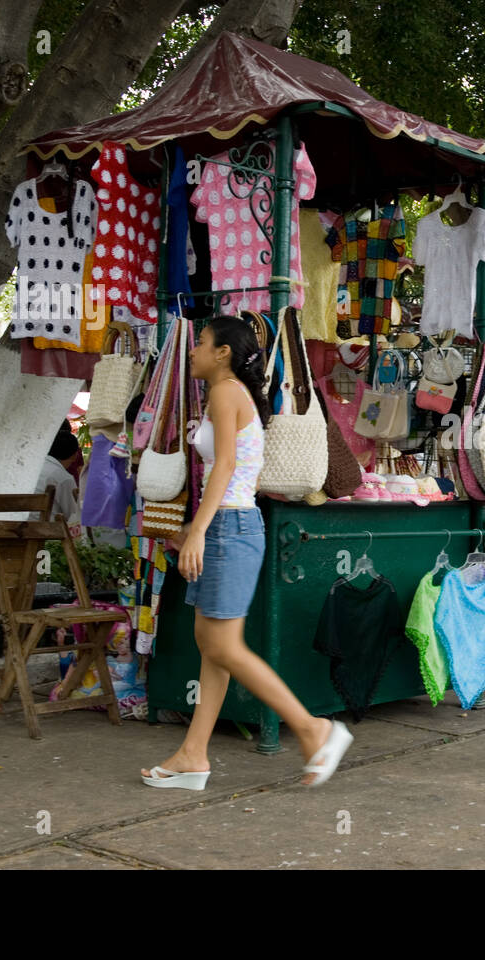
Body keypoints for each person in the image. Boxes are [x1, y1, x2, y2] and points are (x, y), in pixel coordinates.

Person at [141, 314, 352, 790]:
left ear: (223, 353)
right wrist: (195, 528)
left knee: (223, 647)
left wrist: (197, 533)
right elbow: (232, 473)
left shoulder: (224, 392)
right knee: (211, 650)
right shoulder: (233, 393)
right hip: (230, 525)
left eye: (201, 343)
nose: (193, 350)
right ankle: (193, 754)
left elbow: (228, 467)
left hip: (229, 529)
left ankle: (313, 729)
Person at [35, 428, 83, 537]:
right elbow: (73, 514)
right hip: (49, 535)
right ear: (75, 455)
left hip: (21, 529)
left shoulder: (35, 466)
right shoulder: (63, 478)